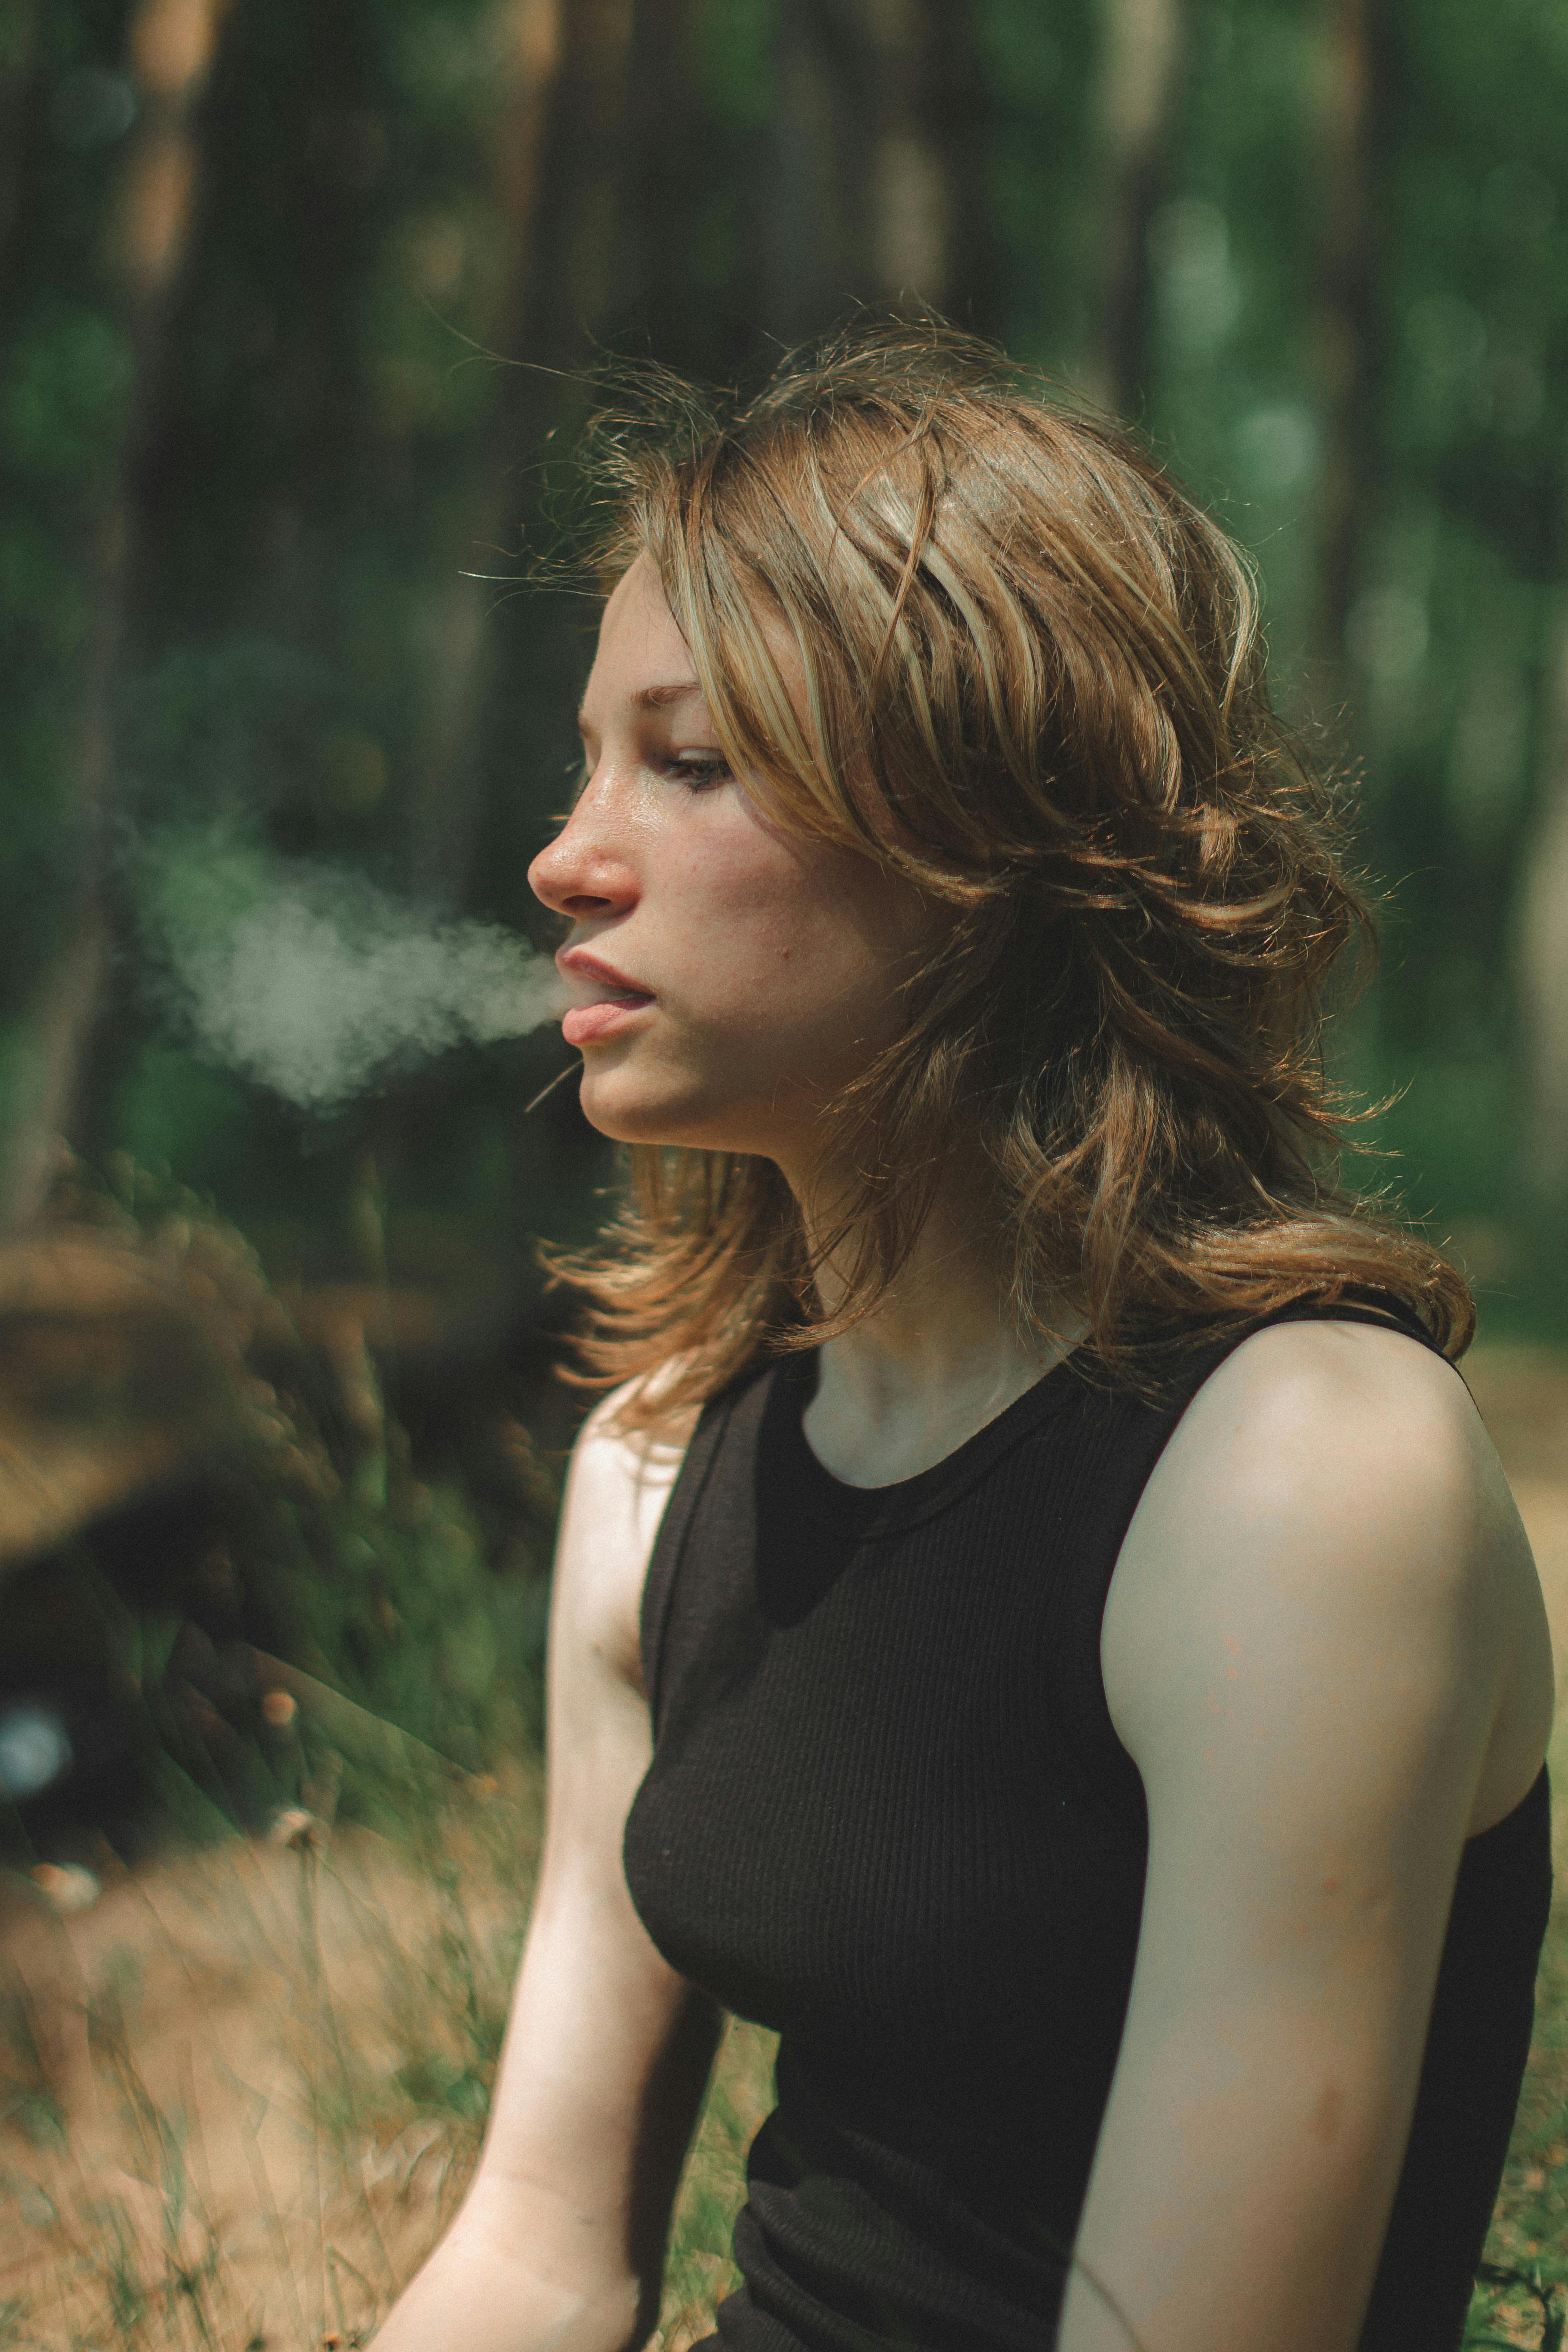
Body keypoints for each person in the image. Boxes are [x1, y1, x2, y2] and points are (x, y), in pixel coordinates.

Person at [373, 329, 1554, 2352]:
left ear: (982, 836)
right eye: (587, 756)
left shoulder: (1300, 1482)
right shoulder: (659, 1464)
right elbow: (539, 2256)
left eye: (688, 759)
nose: (570, 853)